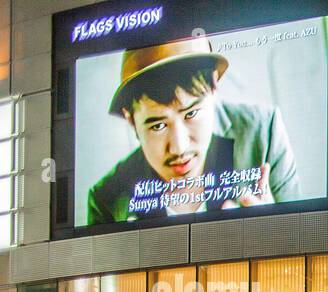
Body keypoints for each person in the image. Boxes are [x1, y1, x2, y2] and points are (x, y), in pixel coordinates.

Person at [87, 35, 302, 225]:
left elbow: (306, 239)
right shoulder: (106, 199)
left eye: (191, 114)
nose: (180, 147)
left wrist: (276, 230)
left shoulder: (264, 133)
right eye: (158, 125)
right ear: (131, 120)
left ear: (214, 87)